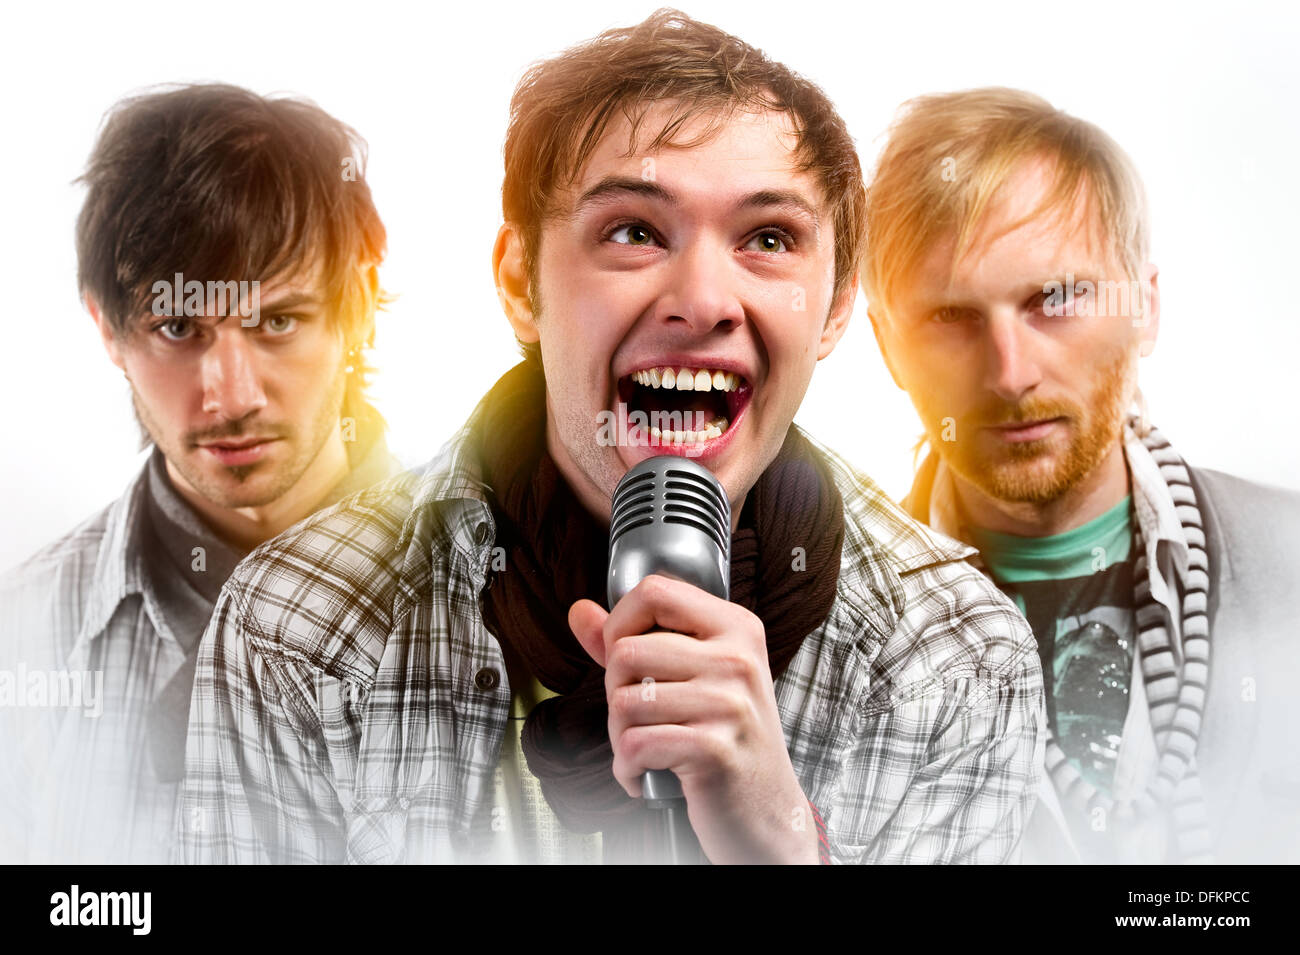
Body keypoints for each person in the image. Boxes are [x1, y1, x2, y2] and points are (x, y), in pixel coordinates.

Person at [179, 10, 1043, 865]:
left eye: (768, 238)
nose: (703, 300)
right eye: (633, 231)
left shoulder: (957, 658)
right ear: (521, 283)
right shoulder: (294, 628)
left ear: (837, 306)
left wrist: (779, 841)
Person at [863, 87, 1300, 863]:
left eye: (1055, 298)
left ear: (1147, 308)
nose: (1011, 372)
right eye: (953, 318)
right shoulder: (823, 640)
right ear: (889, 346)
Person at [0, 84, 400, 863]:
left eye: (277, 321)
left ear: (355, 308)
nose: (233, 397)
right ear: (106, 330)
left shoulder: (508, 603)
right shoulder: (22, 645)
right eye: (178, 327)